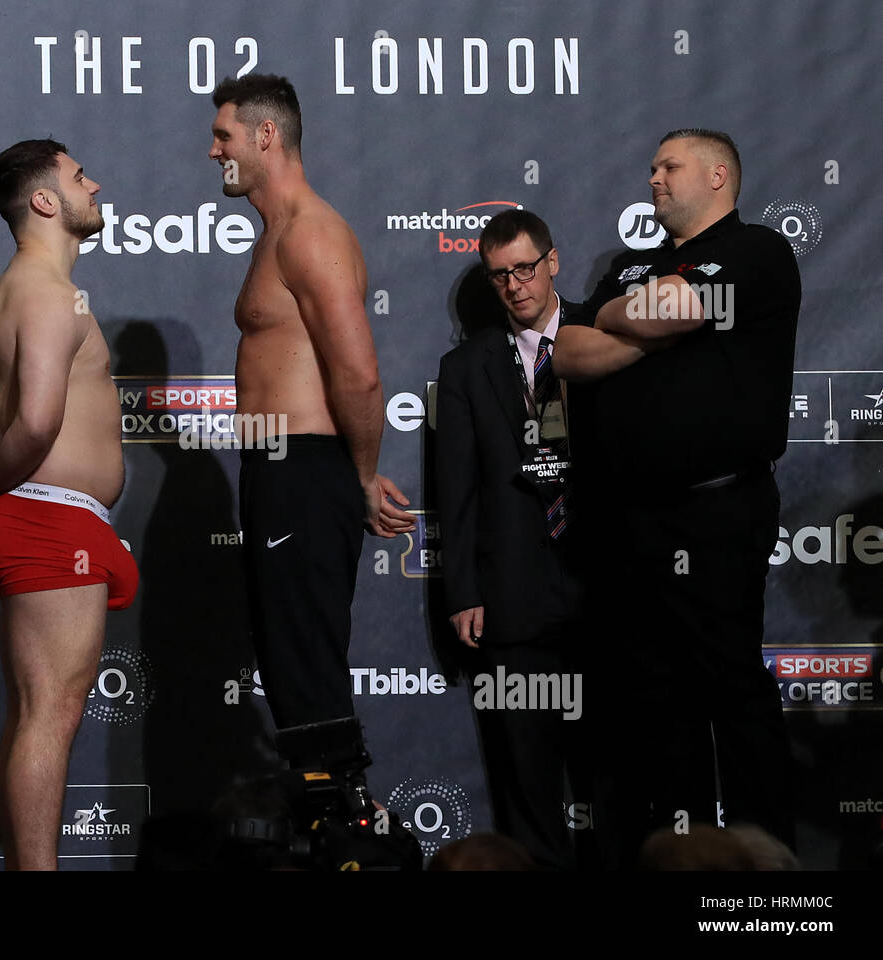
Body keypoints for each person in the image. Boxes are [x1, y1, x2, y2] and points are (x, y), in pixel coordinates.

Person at [555, 128, 800, 867]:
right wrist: (648, 320)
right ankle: (682, 861)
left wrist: (634, 320)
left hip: (716, 511)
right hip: (628, 520)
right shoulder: (632, 263)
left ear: (719, 174)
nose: (653, 178)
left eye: (669, 166)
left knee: (730, 687)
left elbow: (662, 315)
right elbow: (567, 351)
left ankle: (767, 867)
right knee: (658, 701)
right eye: (651, 168)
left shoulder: (758, 251)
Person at [0, 139, 137, 870]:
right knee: (50, 713)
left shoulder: (24, 288)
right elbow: (41, 419)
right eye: (82, 176)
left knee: (37, 713)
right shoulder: (47, 294)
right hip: (49, 514)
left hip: (54, 514)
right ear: (46, 201)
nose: (97, 183)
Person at [207, 74, 415, 765]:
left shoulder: (311, 234)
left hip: (304, 466)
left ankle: (345, 824)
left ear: (267, 135)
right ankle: (326, 814)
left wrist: (359, 476)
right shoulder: (277, 234)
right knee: (291, 661)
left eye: (223, 136)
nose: (214, 152)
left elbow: (358, 373)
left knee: (304, 663)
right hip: (279, 467)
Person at [434, 209, 587, 869]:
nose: (515, 285)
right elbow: (455, 489)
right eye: (500, 276)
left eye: (525, 268)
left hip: (605, 588)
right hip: (512, 594)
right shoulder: (465, 367)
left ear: (552, 261)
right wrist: (464, 589)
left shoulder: (605, 334)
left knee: (615, 773)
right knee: (526, 778)